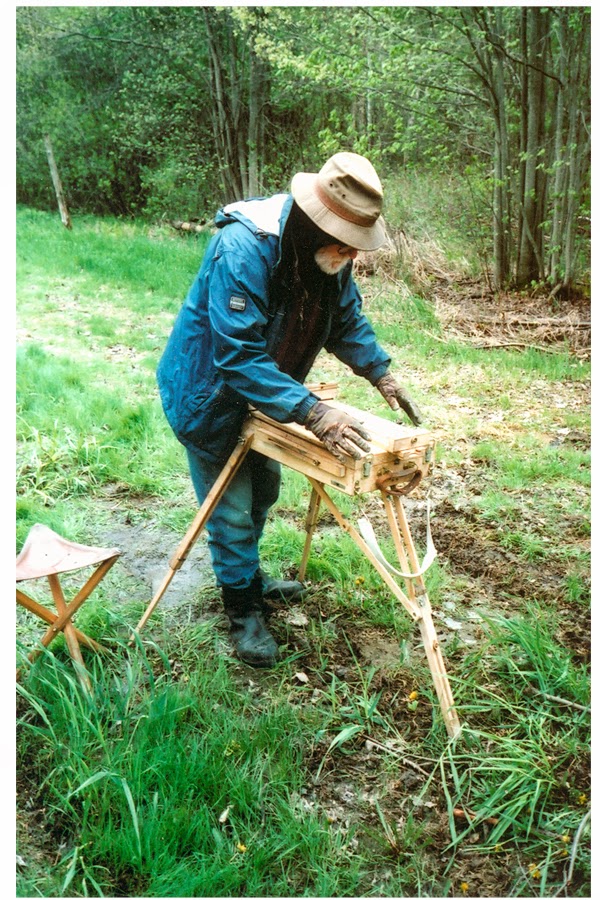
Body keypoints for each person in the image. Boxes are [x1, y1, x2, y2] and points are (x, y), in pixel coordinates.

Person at [157, 152, 422, 668]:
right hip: (208, 395)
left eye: (354, 246)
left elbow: (346, 321)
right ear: (313, 222)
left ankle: (247, 577)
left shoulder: (329, 260)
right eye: (344, 242)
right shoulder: (244, 248)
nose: (349, 254)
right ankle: (242, 613)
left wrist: (381, 372)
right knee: (230, 511)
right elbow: (235, 355)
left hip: (268, 398)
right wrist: (316, 413)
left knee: (265, 491)